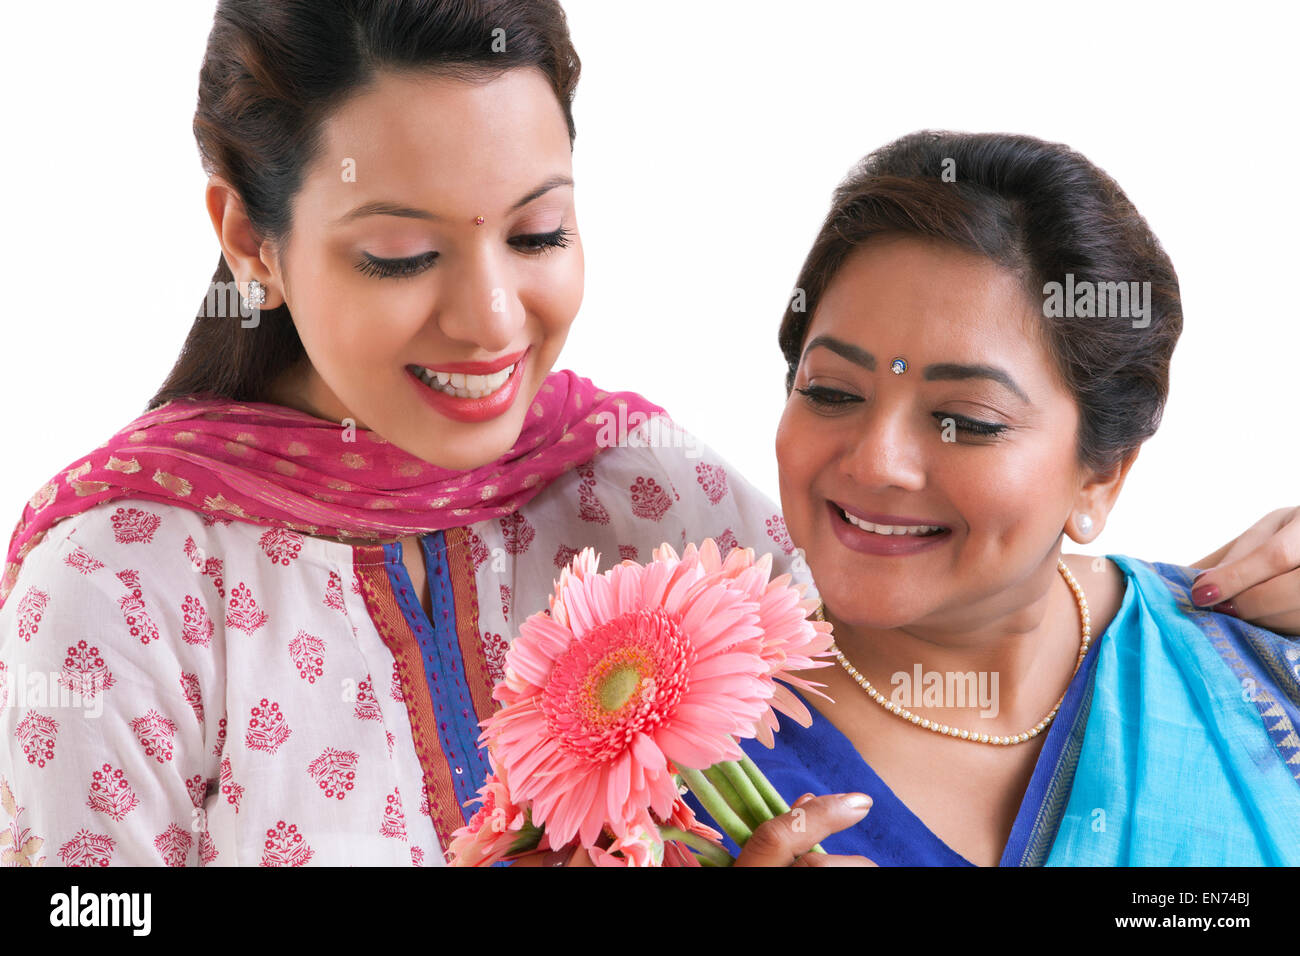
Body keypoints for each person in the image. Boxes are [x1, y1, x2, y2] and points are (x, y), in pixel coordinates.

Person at [0, 3, 1293, 868]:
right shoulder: (120, 586)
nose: (491, 317)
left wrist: (1225, 613)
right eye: (399, 251)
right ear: (249, 239)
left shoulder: (651, 493)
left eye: (539, 231)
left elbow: (953, 596)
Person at [715, 130, 1300, 866]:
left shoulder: (1255, 671)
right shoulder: (668, 766)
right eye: (831, 392)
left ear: (1103, 472)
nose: (876, 463)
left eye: (966, 421)